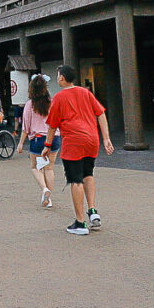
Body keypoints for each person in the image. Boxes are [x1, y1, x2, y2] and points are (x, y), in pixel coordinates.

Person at [42, 64, 114, 236]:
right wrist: (106, 138)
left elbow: (53, 125)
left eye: (58, 75)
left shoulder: (59, 98)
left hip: (73, 141)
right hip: (92, 139)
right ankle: (93, 211)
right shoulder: (86, 93)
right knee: (88, 174)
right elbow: (101, 113)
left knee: (76, 180)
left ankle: (80, 222)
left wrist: (47, 145)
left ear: (61, 78)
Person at [15, 74, 57, 208]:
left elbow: (25, 127)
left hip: (38, 139)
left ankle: (44, 189)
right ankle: (49, 199)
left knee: (35, 167)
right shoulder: (52, 102)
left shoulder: (30, 104)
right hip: (54, 138)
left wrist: (21, 143)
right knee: (49, 168)